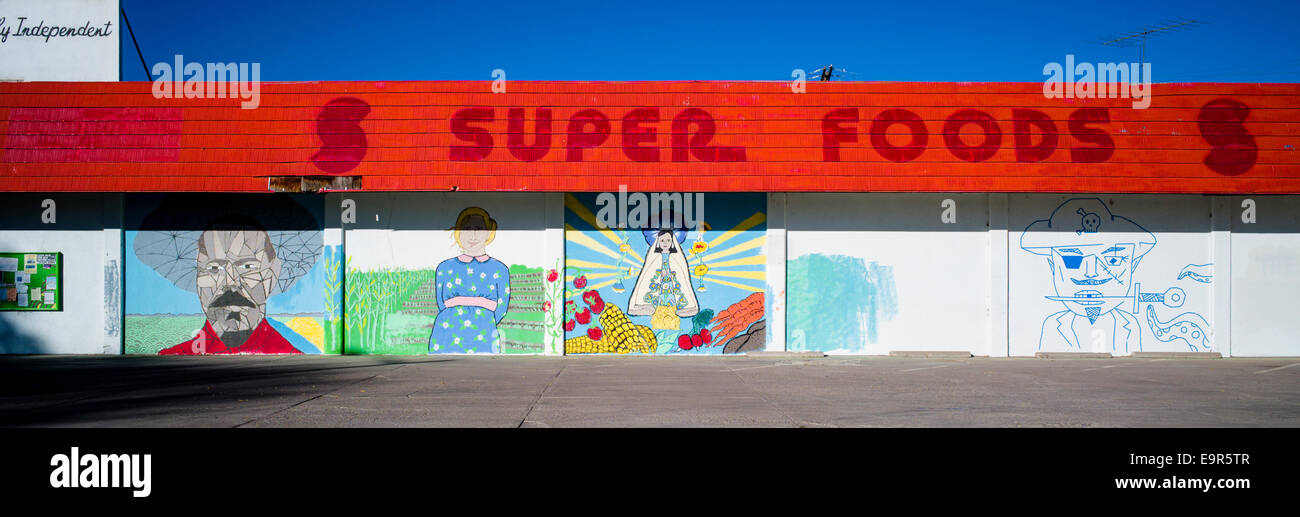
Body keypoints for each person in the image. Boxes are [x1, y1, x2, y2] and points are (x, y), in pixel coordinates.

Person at [1020, 198, 1157, 353]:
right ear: (1053, 266)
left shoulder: (1129, 325)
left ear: (1133, 265)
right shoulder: (1053, 325)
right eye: (1072, 260)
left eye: (1113, 260)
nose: (1091, 274)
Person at [159, 216, 304, 355]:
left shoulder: (293, 355)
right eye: (214, 268)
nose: (231, 282)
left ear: (273, 274)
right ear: (198, 279)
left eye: (247, 266)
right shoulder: (175, 354)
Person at [429, 207, 511, 354]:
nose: (472, 236)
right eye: (466, 229)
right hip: (446, 334)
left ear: (488, 233)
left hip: (485, 335)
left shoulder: (499, 269)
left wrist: (484, 322)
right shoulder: (444, 268)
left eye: (479, 229)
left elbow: (501, 308)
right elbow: (441, 303)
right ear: (459, 233)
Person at [628, 227, 699, 330]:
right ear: (658, 242)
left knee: (672, 315)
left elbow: (682, 275)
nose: (665, 243)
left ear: (672, 242)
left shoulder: (677, 257)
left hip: (672, 290)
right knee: (658, 317)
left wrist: (670, 274)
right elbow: (647, 274)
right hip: (658, 291)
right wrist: (661, 274)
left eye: (668, 240)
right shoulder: (654, 256)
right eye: (662, 240)